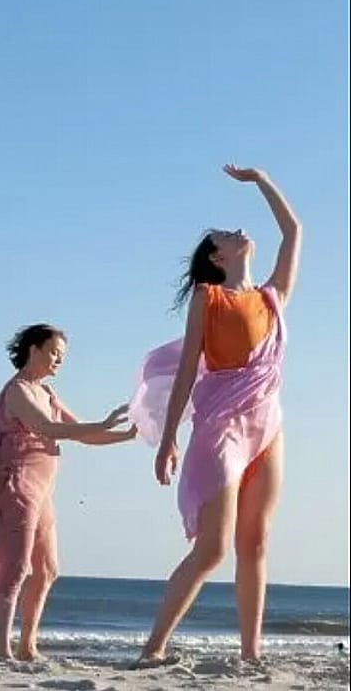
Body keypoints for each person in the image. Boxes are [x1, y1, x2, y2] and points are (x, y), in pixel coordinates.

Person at [131, 166, 300, 665]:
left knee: (256, 542)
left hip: (267, 427)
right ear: (217, 257)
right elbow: (188, 368)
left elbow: (293, 230)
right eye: (226, 234)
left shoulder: (273, 296)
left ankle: (251, 654)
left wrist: (261, 179)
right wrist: (167, 439)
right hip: (221, 427)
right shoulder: (209, 298)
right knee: (212, 549)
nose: (238, 231)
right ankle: (153, 648)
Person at [0, 324, 134, 660]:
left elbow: (81, 433)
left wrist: (127, 435)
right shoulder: (17, 391)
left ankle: (27, 646)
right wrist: (103, 423)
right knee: (17, 568)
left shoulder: (46, 393)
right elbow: (47, 428)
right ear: (34, 350)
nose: (59, 361)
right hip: (18, 488)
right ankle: (3, 651)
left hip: (42, 493)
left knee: (47, 569)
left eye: (62, 356)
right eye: (54, 353)